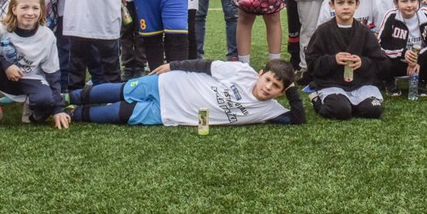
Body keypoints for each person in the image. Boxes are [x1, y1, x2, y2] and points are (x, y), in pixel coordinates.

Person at [68, 58, 306, 126]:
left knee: (118, 114)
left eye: (276, 87)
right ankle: (70, 98)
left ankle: (72, 115)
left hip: (169, 113)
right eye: (267, 80)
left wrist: (292, 89)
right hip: (170, 83)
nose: (267, 87)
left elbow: (298, 119)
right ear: (260, 73)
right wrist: (173, 66)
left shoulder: (270, 110)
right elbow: (204, 65)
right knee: (120, 90)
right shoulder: (242, 71)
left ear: (281, 93)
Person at [0, 0, 70, 131]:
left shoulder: (47, 35)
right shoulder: (0, 29)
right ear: (14, 9)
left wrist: (57, 109)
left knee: (45, 101)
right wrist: (6, 65)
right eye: (24, 7)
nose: (30, 13)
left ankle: (31, 110)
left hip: (32, 79)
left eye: (35, 8)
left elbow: (53, 73)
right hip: (5, 78)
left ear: (41, 11)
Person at [305, 0, 388, 121]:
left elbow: (380, 63)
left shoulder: (365, 32)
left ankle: (351, 104)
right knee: (341, 111)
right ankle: (317, 100)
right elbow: (312, 62)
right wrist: (333, 60)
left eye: (350, 2)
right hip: (332, 84)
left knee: (373, 110)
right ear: (332, 5)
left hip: (360, 84)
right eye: (340, 2)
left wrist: (362, 62)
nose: (345, 7)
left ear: (357, 4)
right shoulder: (323, 31)